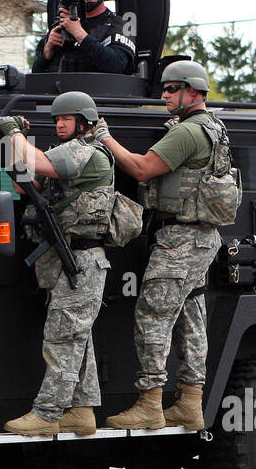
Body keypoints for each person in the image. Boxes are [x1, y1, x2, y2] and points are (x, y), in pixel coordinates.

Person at [94, 61, 236, 430]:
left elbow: (141, 169)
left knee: (152, 315)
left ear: (193, 92)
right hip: (200, 238)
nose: (165, 96)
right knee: (191, 318)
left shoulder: (189, 131)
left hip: (181, 239)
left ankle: (150, 403)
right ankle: (189, 402)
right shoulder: (213, 127)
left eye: (172, 89)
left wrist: (105, 137)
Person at [0, 91, 114, 436]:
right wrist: (13, 140)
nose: (59, 124)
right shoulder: (65, 154)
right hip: (69, 259)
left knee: (62, 337)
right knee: (78, 336)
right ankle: (82, 410)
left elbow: (39, 165)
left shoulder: (87, 151)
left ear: (84, 122)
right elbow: (23, 184)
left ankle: (47, 413)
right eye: (57, 119)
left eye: (66, 119)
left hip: (83, 259)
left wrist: (15, 134)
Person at [30, 0, 136, 74]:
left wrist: (79, 33)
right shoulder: (62, 26)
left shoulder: (121, 25)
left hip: (100, 91)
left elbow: (117, 65)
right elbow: (36, 75)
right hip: (61, 91)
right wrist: (46, 53)